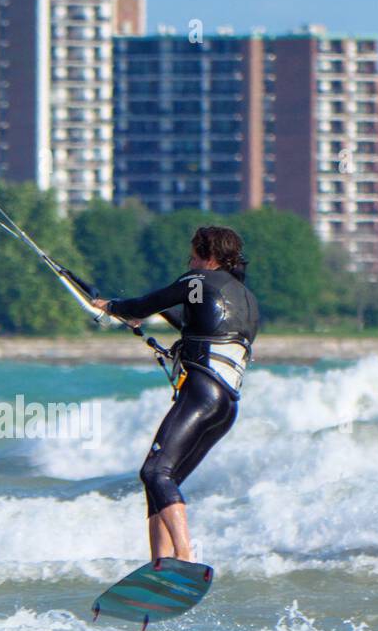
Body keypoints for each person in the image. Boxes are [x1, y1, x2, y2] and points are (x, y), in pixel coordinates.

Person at [90, 226, 259, 564]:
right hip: (225, 407)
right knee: (161, 480)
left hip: (201, 395)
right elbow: (190, 321)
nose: (190, 262)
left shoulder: (196, 280)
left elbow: (150, 301)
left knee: (155, 473)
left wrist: (113, 305)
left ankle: (184, 556)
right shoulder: (245, 298)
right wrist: (133, 314)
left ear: (208, 258)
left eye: (194, 256)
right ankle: (160, 564)